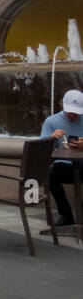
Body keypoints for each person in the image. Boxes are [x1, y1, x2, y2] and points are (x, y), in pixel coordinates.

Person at [40, 89, 83, 230]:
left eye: (76, 112)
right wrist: (51, 138)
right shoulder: (51, 121)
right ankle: (66, 215)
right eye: (70, 111)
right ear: (62, 105)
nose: (72, 115)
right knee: (51, 175)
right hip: (63, 164)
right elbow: (40, 148)